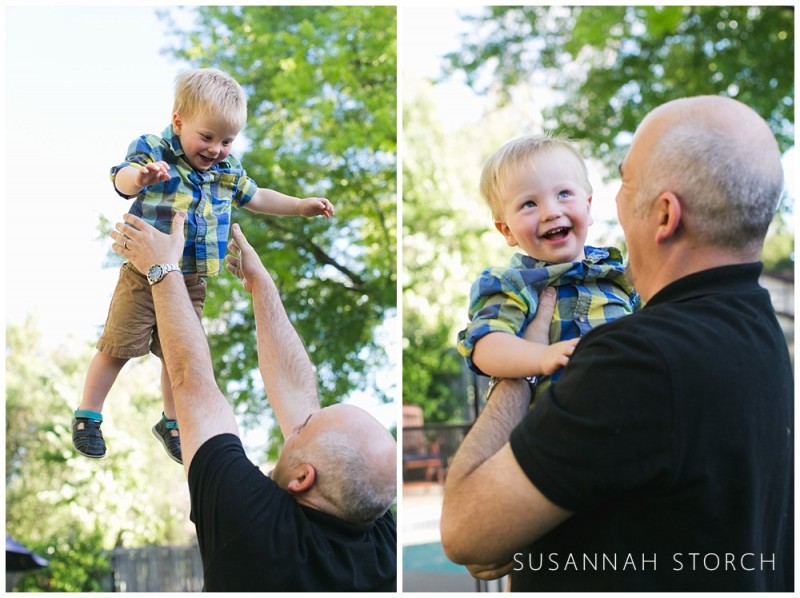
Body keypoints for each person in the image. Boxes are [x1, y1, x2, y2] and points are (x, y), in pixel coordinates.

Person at [440, 96, 793, 591]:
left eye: (624, 182)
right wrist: (533, 357)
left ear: (665, 215)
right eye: (529, 203)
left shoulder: (639, 357)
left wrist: (519, 379)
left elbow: (468, 533)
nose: (554, 211)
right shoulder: (758, 332)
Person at [109, 212, 397, 591]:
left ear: (303, 478)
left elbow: (193, 386)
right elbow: (297, 395)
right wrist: (262, 287)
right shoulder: (379, 540)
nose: (296, 421)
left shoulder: (253, 529)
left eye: (303, 427)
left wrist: (161, 267)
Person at [73, 68, 334, 464]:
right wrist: (140, 178)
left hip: (191, 280)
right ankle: (88, 415)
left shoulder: (228, 171)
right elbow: (120, 179)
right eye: (207, 137)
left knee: (181, 354)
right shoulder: (155, 150)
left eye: (227, 140)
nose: (216, 149)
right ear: (178, 122)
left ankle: (172, 421)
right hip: (145, 274)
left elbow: (257, 196)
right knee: (118, 344)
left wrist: (300, 207)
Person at [457, 134, 638, 401]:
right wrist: (540, 357)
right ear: (507, 230)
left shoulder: (616, 276)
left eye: (564, 193)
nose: (551, 212)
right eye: (529, 204)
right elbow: (486, 345)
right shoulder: (515, 284)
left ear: (588, 208)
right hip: (559, 425)